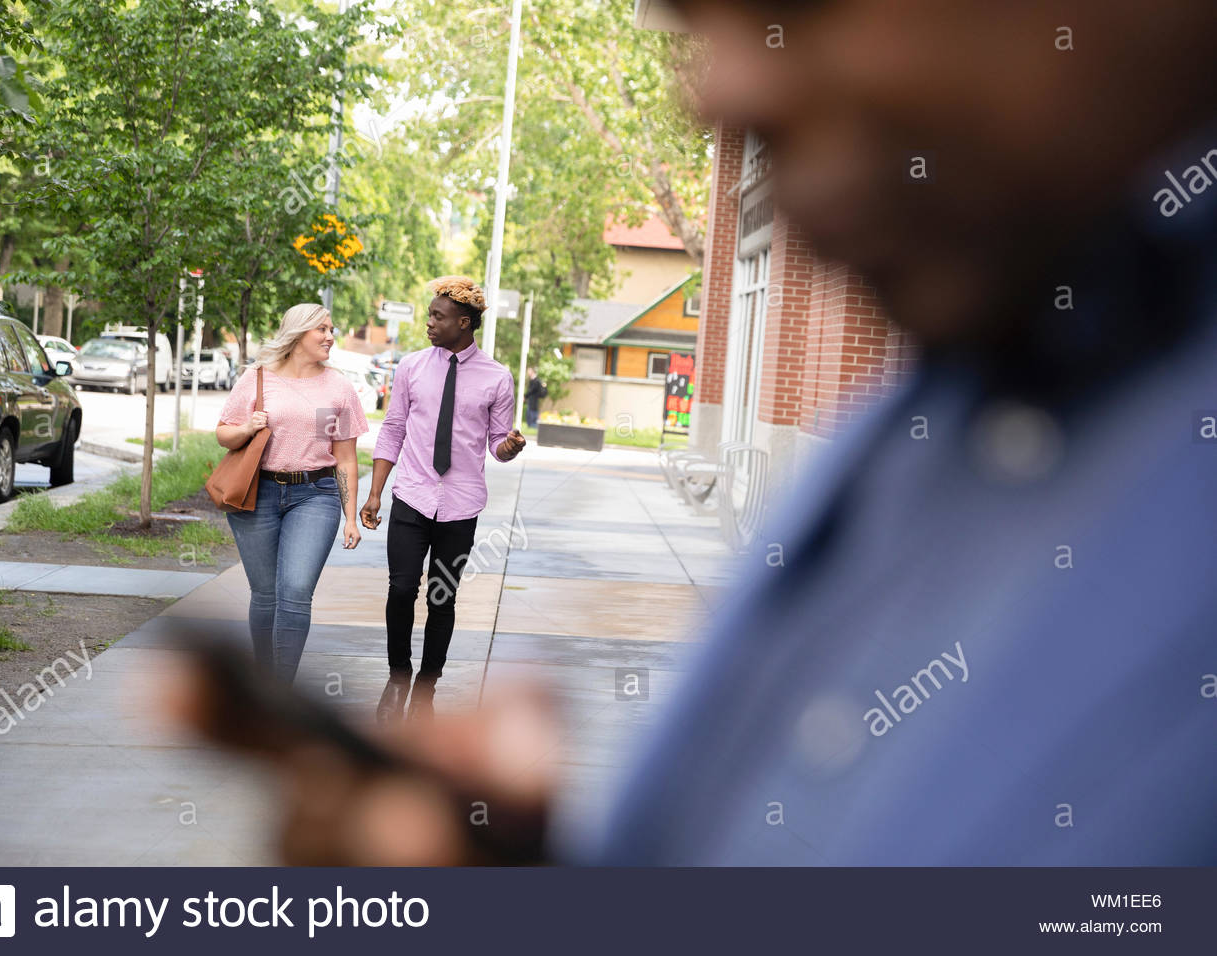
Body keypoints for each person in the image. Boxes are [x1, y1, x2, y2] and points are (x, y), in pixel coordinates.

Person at [179, 0, 1217, 864]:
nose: (718, 89)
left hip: (461, 501)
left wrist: (497, 450)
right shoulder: (916, 419)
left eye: (791, 9)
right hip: (409, 499)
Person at [359, 276, 526, 723]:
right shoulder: (412, 367)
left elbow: (497, 443)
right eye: (430, 314)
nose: (429, 323)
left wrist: (508, 448)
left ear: (464, 323)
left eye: (438, 316)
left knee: (441, 598)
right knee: (400, 590)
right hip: (412, 494)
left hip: (461, 504)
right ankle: (398, 677)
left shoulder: (497, 378)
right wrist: (374, 492)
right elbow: (392, 429)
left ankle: (426, 689)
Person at [215, 303, 368, 685]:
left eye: (332, 328)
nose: (331, 336)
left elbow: (346, 459)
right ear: (298, 334)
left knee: (296, 591)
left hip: (316, 495)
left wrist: (350, 516)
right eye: (322, 329)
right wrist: (248, 427)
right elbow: (224, 433)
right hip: (258, 493)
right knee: (265, 595)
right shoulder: (258, 378)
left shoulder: (338, 388)